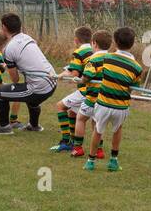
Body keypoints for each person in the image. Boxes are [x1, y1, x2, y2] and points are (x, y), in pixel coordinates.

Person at [83, 27, 145, 172]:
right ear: (132, 43)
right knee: (117, 130)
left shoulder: (107, 58)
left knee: (98, 130)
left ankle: (90, 161)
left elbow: (95, 71)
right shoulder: (137, 67)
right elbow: (133, 86)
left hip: (103, 103)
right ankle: (113, 161)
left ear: (115, 42)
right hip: (121, 106)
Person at [0, 13, 56, 135]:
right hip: (52, 81)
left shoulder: (9, 49)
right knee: (31, 98)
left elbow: (15, 79)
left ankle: (4, 128)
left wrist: (9, 67)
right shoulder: (27, 37)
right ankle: (34, 126)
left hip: (39, 87)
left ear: (4, 27)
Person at [50, 25, 95, 152]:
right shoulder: (93, 51)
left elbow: (74, 73)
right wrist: (61, 74)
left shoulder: (79, 52)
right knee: (72, 112)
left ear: (76, 39)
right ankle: (75, 142)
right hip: (95, 90)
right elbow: (72, 68)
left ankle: (66, 141)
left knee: (60, 106)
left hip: (85, 90)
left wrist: (58, 76)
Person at [68, 30, 112, 156]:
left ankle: (78, 148)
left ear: (94, 43)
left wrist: (81, 80)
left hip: (92, 97)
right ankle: (99, 150)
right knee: (97, 123)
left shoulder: (93, 59)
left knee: (80, 118)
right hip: (104, 98)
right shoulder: (111, 58)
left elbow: (87, 75)